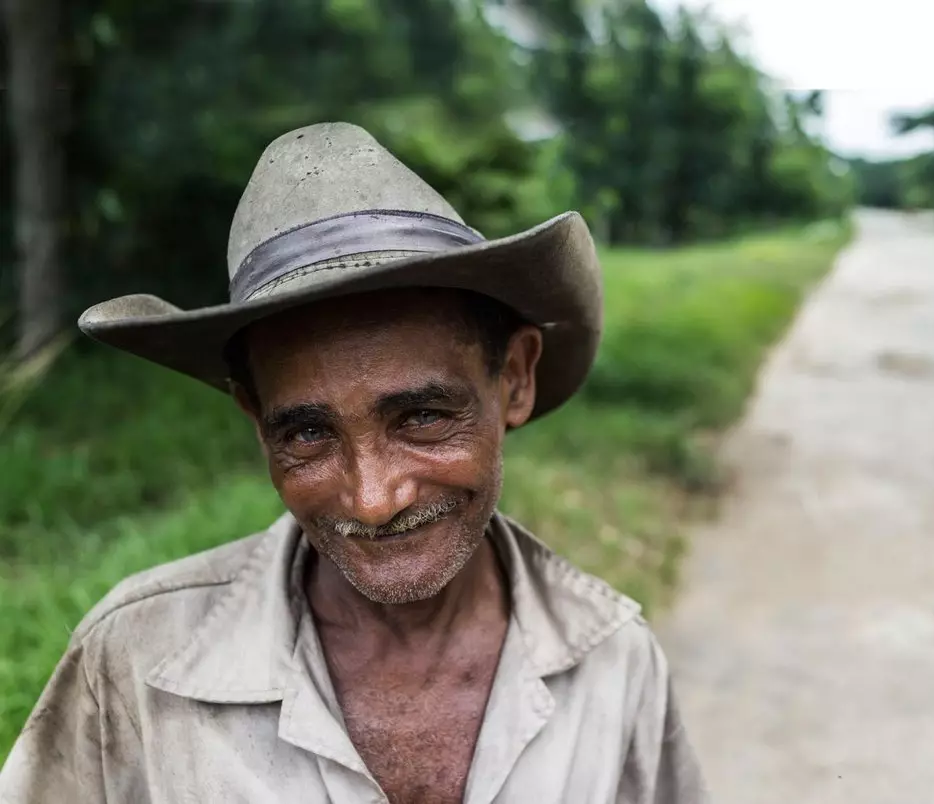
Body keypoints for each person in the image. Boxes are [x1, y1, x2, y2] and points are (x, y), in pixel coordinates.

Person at [0, 122, 708, 803]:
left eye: (423, 418)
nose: (373, 500)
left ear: (516, 379)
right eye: (308, 433)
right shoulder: (132, 660)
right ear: (255, 421)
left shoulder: (613, 659)